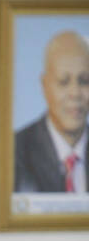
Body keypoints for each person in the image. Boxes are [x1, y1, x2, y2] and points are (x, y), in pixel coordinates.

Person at [14, 30, 89, 193]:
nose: (75, 93)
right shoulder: (15, 151)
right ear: (45, 85)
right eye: (63, 82)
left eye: (84, 81)